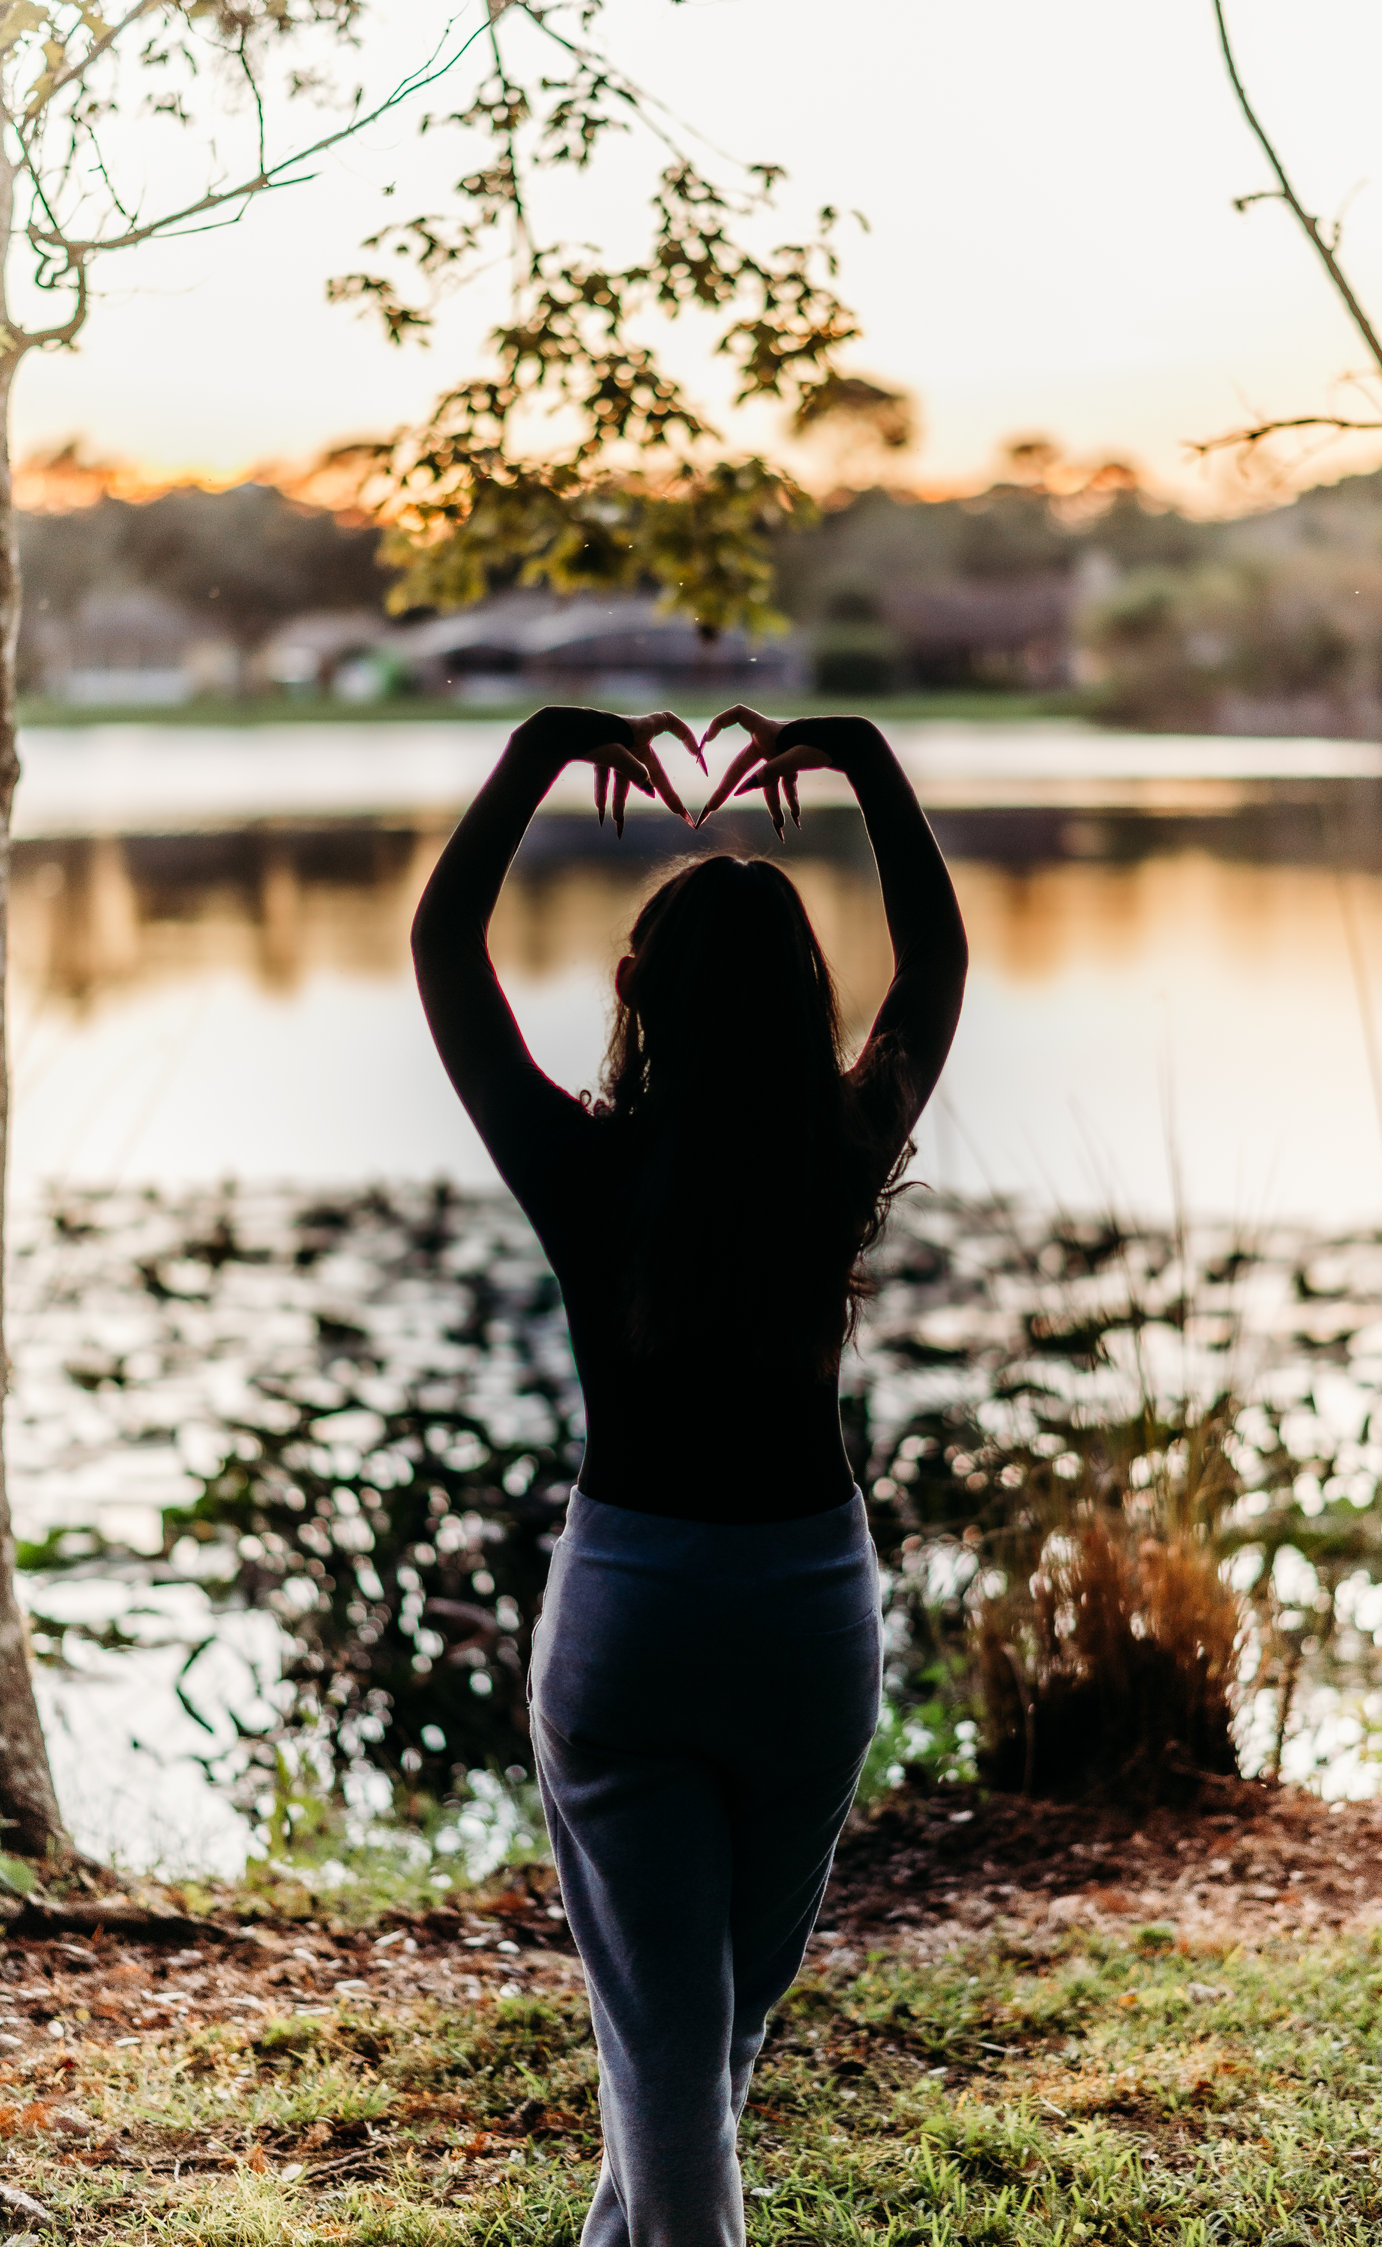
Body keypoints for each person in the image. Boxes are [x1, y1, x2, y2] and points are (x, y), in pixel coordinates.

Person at [412, 703, 967, 2247]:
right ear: (805, 999)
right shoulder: (839, 1150)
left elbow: (447, 953)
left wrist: (539, 753)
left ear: (636, 994)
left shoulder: (583, 1166)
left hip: (635, 1620)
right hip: (804, 1621)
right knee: (698, 2041)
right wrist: (863, 761)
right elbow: (935, 964)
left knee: (676, 2047)